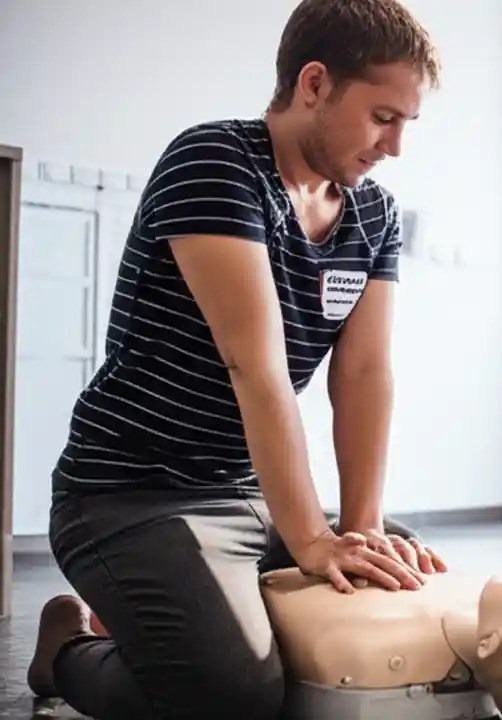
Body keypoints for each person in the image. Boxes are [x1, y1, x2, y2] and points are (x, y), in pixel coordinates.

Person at [25, 2, 444, 718]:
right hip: (131, 495)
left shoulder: (372, 214)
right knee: (233, 697)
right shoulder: (215, 162)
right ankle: (68, 650)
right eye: (383, 116)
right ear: (314, 84)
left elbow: (365, 376)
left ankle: (181, 615)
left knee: (401, 566)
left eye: (408, 122)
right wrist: (311, 538)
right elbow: (257, 366)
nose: (395, 145)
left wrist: (362, 525)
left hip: (249, 493)